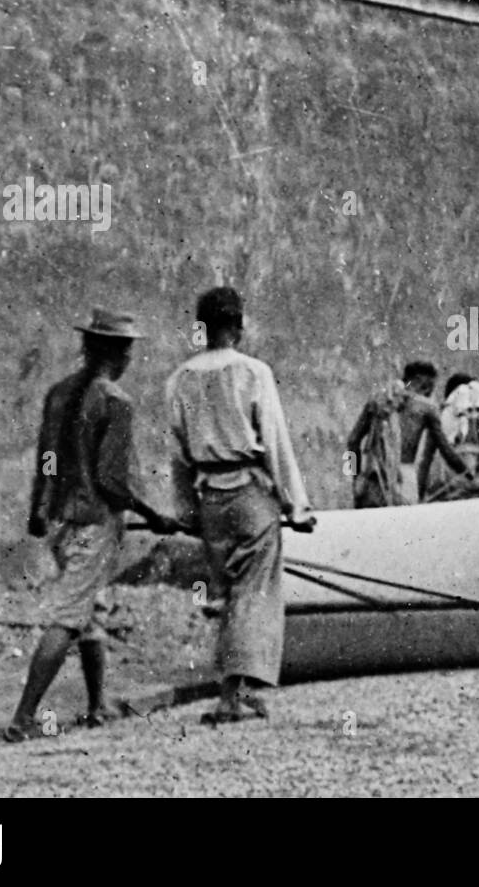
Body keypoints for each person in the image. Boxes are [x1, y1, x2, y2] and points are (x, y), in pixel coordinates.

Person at [9, 308, 180, 742]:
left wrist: (37, 509)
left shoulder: (58, 393)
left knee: (91, 611)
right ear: (118, 352)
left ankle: (97, 705)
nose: (130, 357)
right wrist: (152, 514)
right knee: (69, 616)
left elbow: (46, 460)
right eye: (128, 349)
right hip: (95, 525)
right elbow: (111, 480)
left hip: (61, 522)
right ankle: (23, 718)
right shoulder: (116, 401)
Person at [167, 287, 316, 724]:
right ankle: (230, 697)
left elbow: (176, 454)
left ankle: (240, 688)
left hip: (209, 496)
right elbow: (274, 441)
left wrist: (186, 511)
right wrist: (297, 506)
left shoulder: (179, 378)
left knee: (228, 594)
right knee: (255, 594)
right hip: (250, 493)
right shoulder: (253, 372)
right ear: (239, 325)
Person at [346, 361, 469, 507]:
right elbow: (446, 451)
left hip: (373, 478)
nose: (430, 393)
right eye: (430, 388)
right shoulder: (427, 407)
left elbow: (352, 441)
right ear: (422, 383)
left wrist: (354, 476)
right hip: (404, 481)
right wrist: (468, 473)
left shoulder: (376, 401)